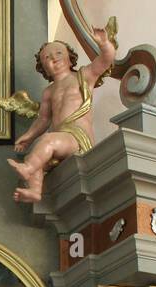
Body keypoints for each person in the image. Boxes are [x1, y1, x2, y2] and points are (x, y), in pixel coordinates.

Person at [8, 28, 116, 203]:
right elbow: (43, 119)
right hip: (60, 137)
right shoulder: (49, 91)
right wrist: (28, 136)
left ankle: (28, 169)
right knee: (36, 152)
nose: (53, 58)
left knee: (46, 142)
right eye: (47, 58)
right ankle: (35, 191)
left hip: (78, 136)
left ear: (69, 57)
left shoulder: (83, 76)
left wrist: (104, 44)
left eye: (58, 53)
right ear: (44, 69)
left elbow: (106, 60)